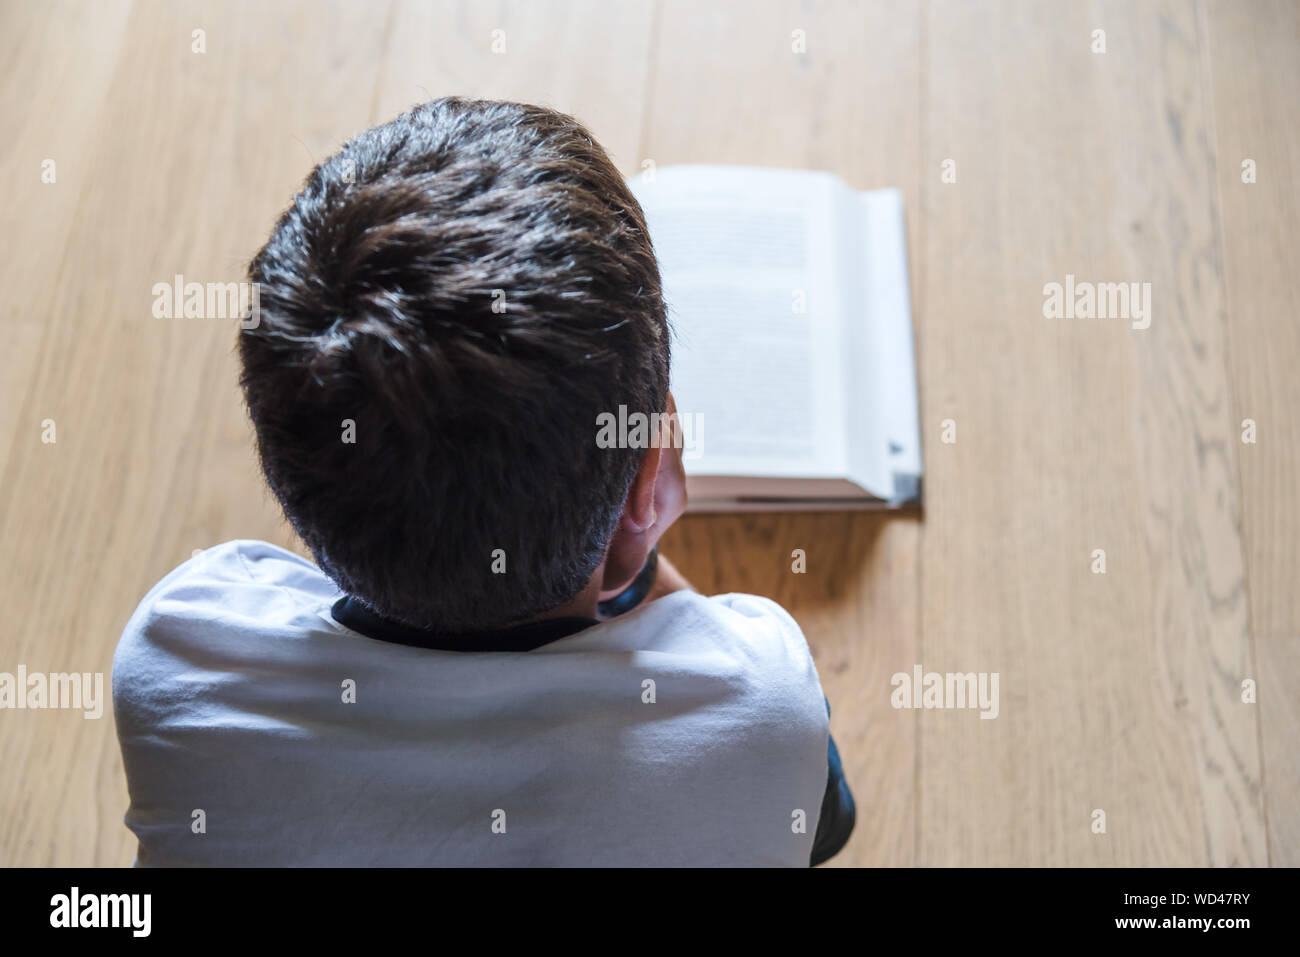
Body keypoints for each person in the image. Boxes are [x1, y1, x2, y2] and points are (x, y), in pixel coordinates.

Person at [112, 97, 853, 866]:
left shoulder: (181, 665)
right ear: (648, 484)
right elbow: (825, 822)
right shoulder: (761, 711)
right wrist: (637, 554)